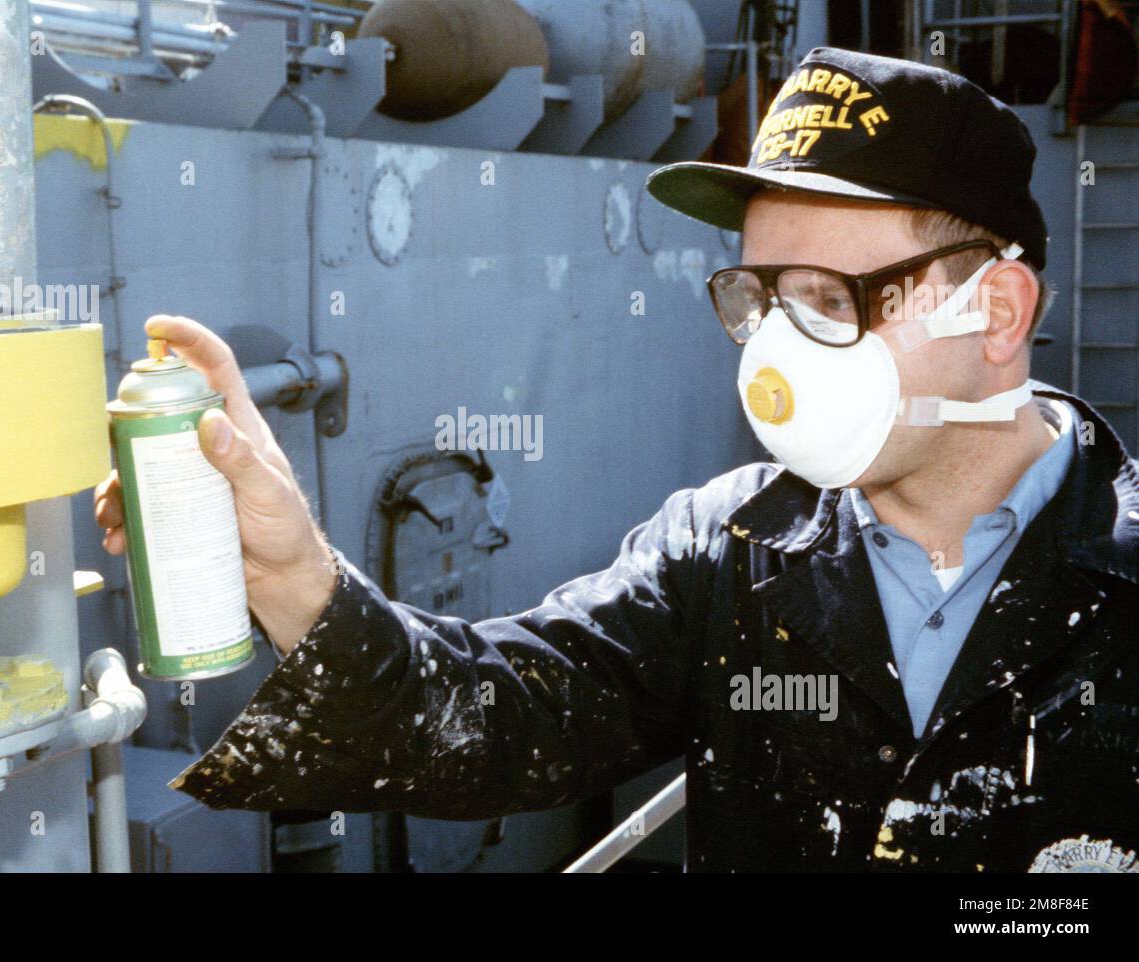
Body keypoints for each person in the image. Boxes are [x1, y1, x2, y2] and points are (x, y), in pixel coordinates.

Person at [93, 48, 1139, 872]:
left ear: (995, 311)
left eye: (828, 297)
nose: (775, 353)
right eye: (759, 299)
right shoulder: (725, 549)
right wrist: (291, 572)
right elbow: (486, 719)